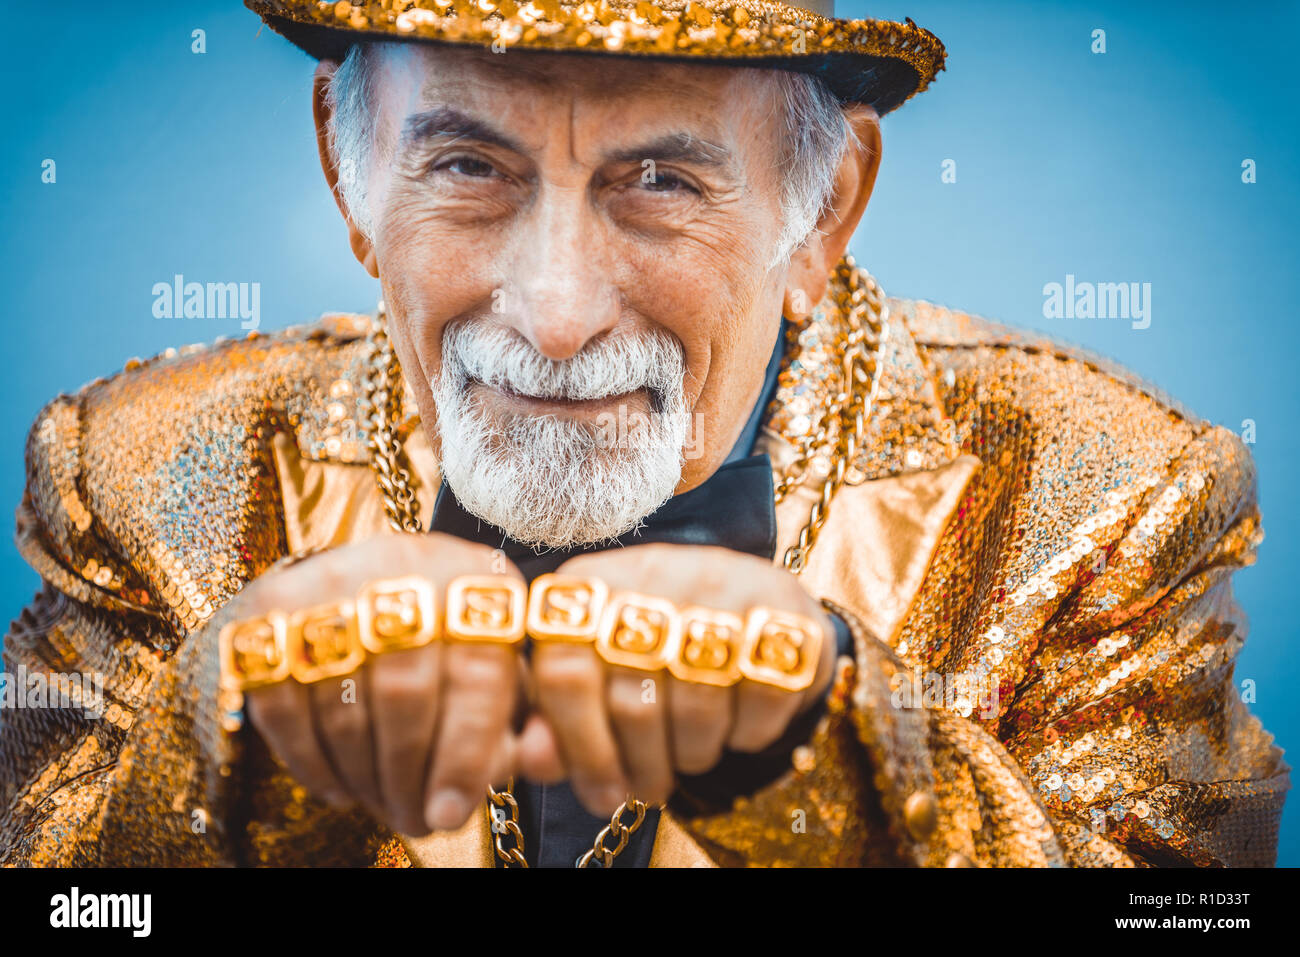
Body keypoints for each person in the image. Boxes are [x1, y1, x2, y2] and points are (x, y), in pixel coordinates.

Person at [0, 0, 1286, 867]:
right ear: (352, 177)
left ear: (824, 208)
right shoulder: (131, 475)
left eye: (660, 181)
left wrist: (842, 769)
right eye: (468, 168)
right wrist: (217, 771)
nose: (555, 317)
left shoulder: (1111, 494)